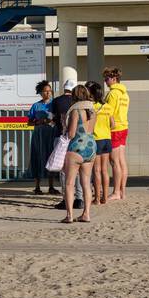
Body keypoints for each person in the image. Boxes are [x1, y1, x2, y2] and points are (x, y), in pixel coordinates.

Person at [62, 84, 96, 223]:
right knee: (86, 183)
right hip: (91, 147)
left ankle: (69, 215)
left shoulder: (76, 111)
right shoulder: (93, 111)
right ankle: (86, 214)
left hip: (77, 147)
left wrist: (65, 128)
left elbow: (71, 133)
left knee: (69, 183)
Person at [52, 77, 84, 211]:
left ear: (64, 88)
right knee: (78, 170)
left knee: (64, 170)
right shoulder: (79, 103)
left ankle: (66, 199)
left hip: (61, 137)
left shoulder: (57, 101)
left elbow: (52, 117)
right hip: (78, 139)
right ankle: (80, 198)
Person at [27, 80, 60, 197]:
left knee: (51, 157)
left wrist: (51, 120)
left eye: (49, 91)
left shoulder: (55, 104)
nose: (48, 93)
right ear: (41, 93)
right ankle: (37, 187)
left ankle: (51, 186)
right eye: (45, 91)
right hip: (39, 135)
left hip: (52, 134)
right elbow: (29, 122)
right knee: (37, 157)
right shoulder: (36, 105)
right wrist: (39, 121)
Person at [103, 67, 130, 200]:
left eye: (107, 78)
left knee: (114, 162)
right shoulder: (125, 93)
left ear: (114, 79)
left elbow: (109, 113)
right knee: (121, 160)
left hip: (114, 129)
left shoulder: (112, 94)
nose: (105, 81)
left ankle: (116, 192)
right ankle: (122, 191)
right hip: (124, 127)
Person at [89, 80, 114, 207]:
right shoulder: (107, 106)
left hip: (96, 139)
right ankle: (105, 197)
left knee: (96, 170)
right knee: (105, 170)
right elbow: (113, 124)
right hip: (107, 139)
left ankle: (97, 199)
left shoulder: (91, 107)